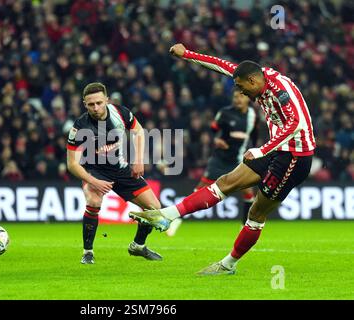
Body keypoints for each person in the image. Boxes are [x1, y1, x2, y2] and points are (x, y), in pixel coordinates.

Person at [129, 43, 315, 275]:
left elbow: (295, 123)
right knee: (225, 182)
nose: (240, 93)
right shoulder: (255, 77)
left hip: (295, 157)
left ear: (252, 82)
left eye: (241, 88)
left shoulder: (280, 90)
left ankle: (228, 264)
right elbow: (221, 65)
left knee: (256, 213)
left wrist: (262, 149)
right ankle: (166, 215)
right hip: (276, 150)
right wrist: (187, 54)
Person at [67, 82, 163, 264]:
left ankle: (138, 246)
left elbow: (139, 131)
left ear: (106, 100)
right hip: (94, 171)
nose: (95, 108)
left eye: (99, 103)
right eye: (91, 104)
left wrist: (138, 160)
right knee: (94, 201)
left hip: (120, 168)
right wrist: (92, 181)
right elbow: (72, 164)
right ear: (84, 104)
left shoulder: (121, 113)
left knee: (154, 208)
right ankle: (88, 252)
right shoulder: (79, 127)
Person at [166, 87, 257, 236]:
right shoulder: (225, 113)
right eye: (235, 97)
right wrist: (217, 140)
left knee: (248, 192)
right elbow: (211, 131)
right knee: (199, 189)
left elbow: (253, 136)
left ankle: (244, 227)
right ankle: (176, 219)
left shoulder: (252, 115)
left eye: (240, 97)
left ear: (247, 98)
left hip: (238, 160)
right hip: (219, 160)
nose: (237, 100)